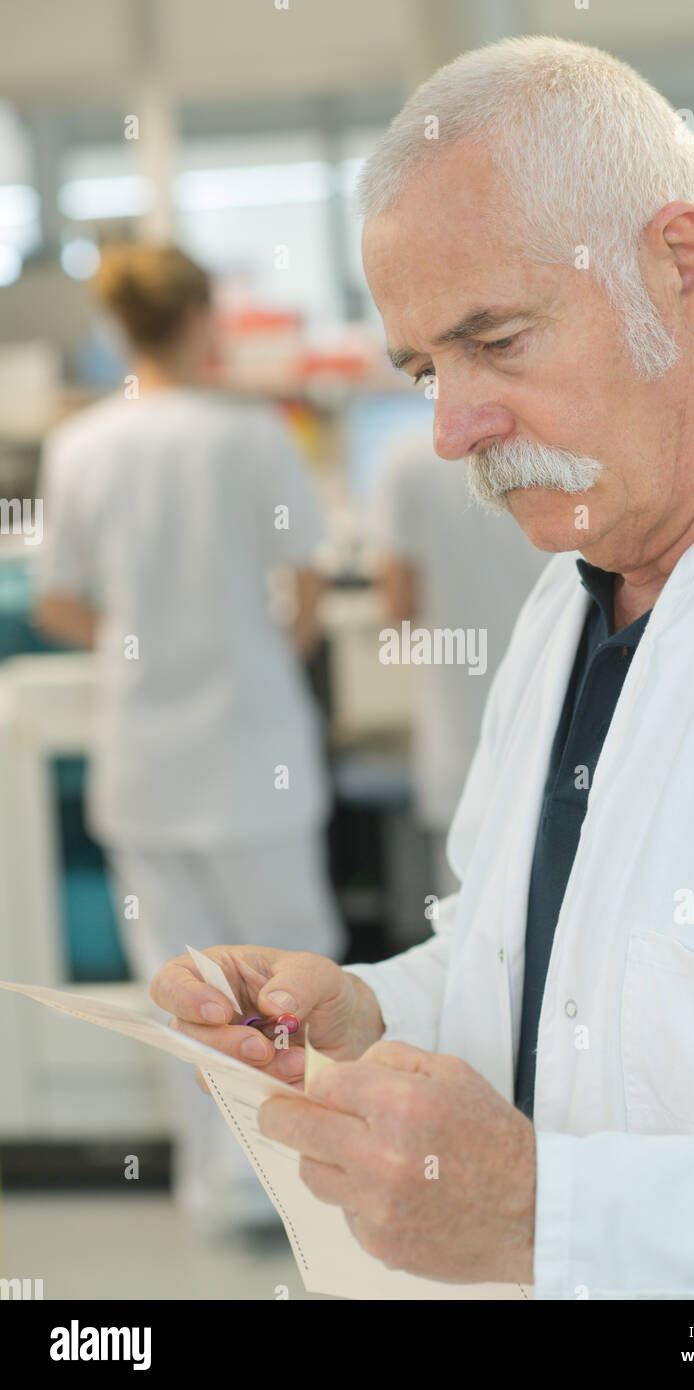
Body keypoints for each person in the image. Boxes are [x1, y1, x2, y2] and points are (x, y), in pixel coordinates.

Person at [152, 38, 694, 1296]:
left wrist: (551, 1213)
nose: (447, 429)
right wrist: (371, 1012)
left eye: (496, 341)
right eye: (427, 368)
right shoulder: (568, 603)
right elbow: (537, 969)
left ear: (681, 269)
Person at [34, 242, 347, 1233]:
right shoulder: (250, 433)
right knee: (292, 975)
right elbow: (307, 584)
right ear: (203, 318)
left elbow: (57, 602)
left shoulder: (83, 445)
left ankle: (219, 1192)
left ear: (120, 330)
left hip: (147, 759)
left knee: (183, 984)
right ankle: (312, 1185)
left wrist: (139, 645)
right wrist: (264, 652)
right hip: (257, 746)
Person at [369, 427, 547, 894]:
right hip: (557, 729)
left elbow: (397, 603)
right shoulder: (563, 443)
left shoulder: (407, 459)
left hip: (460, 744)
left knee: (465, 930)